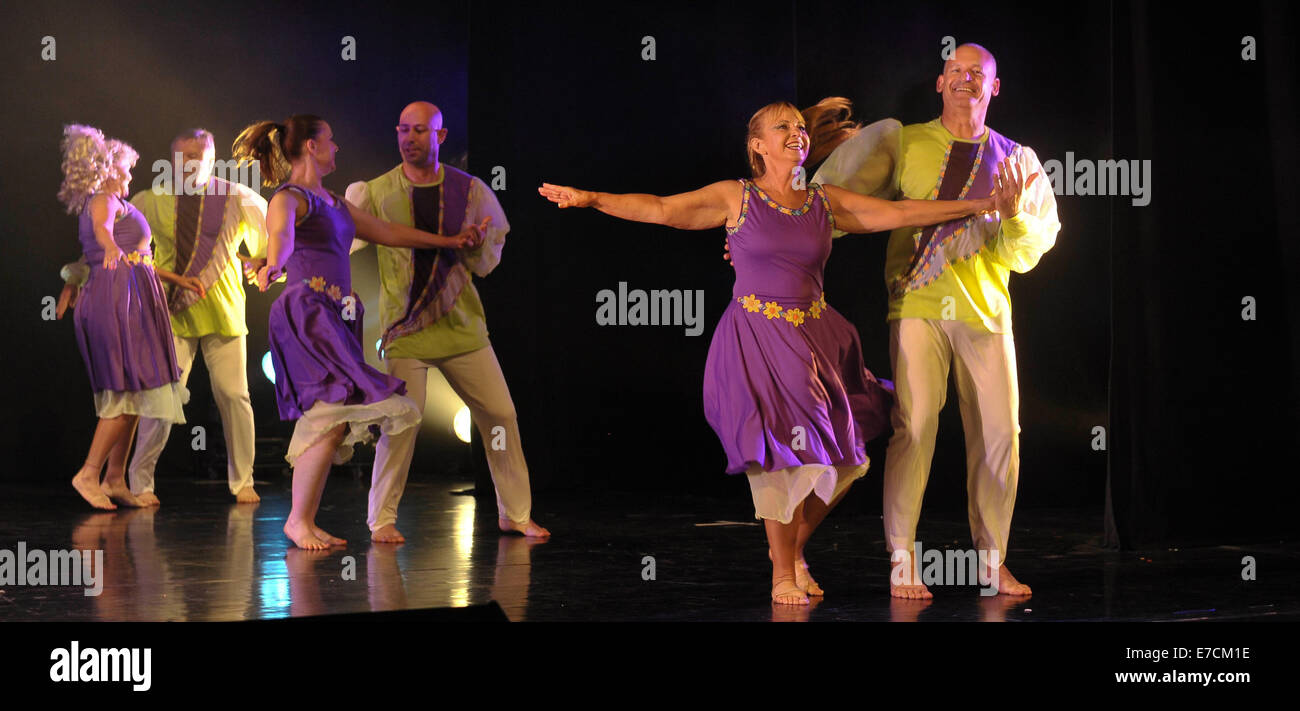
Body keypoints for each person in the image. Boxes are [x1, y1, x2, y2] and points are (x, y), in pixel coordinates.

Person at [539, 101, 1017, 605]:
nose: (795, 133)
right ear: (757, 146)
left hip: (814, 340)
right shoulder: (736, 197)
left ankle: (788, 554)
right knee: (778, 461)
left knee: (848, 462)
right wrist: (591, 198)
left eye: (799, 127)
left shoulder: (824, 202)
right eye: (781, 127)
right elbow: (660, 209)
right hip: (756, 339)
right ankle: (782, 576)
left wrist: (979, 204)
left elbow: (899, 213)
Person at [811, 43, 1061, 598]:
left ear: (994, 88)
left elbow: (1026, 253)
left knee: (1001, 437)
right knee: (916, 428)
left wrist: (1015, 216)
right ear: (940, 81)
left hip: (987, 315)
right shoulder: (904, 140)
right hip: (916, 306)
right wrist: (769, 236)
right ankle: (902, 559)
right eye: (957, 71)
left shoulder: (1018, 159)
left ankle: (992, 563)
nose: (966, 80)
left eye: (979, 74)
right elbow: (838, 204)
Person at [233, 114, 484, 550]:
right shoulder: (288, 197)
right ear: (311, 146)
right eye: (330, 140)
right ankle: (297, 520)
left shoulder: (332, 201)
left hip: (336, 314)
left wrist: (450, 242)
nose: (337, 148)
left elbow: (387, 231)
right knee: (329, 412)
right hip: (306, 312)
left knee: (333, 418)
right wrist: (273, 262)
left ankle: (303, 520)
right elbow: (282, 237)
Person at [347, 101, 549, 543]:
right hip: (406, 331)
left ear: (439, 136)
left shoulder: (471, 191)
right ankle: (381, 518)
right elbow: (339, 242)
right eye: (403, 129)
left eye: (419, 130)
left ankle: (515, 513)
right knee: (402, 422)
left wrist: (474, 245)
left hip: (462, 327)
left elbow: (485, 263)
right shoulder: (375, 192)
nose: (409, 138)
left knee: (500, 416)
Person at [61, 129, 269, 505]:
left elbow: (268, 248)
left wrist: (264, 265)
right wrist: (76, 277)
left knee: (235, 396)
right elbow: (102, 239)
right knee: (157, 399)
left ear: (213, 157)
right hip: (166, 313)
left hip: (224, 312)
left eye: (196, 155)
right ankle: (137, 481)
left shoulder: (239, 197)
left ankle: (243, 481)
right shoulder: (147, 200)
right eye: (181, 156)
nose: (188, 163)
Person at [56, 125, 192, 510]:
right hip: (116, 299)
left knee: (140, 390)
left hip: (134, 295)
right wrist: (111, 245)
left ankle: (115, 478)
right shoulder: (104, 199)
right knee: (126, 388)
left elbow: (140, 258)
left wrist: (176, 277)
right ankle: (89, 472)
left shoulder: (120, 202)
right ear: (108, 170)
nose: (131, 176)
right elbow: (103, 231)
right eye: (126, 169)